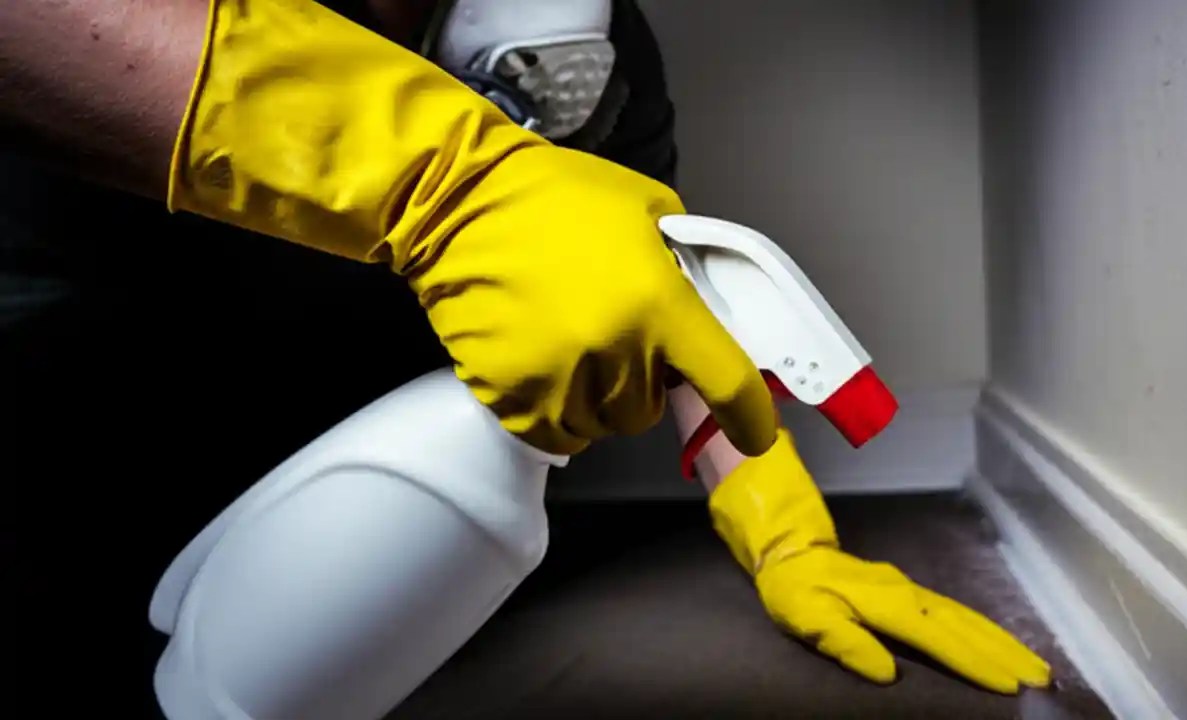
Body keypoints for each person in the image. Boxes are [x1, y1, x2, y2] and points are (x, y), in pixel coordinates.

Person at [0, 0, 1050, 715]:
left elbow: (659, 284)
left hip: (363, 477)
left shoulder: (583, 39)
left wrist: (778, 522)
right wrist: (442, 183)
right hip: (73, 414)